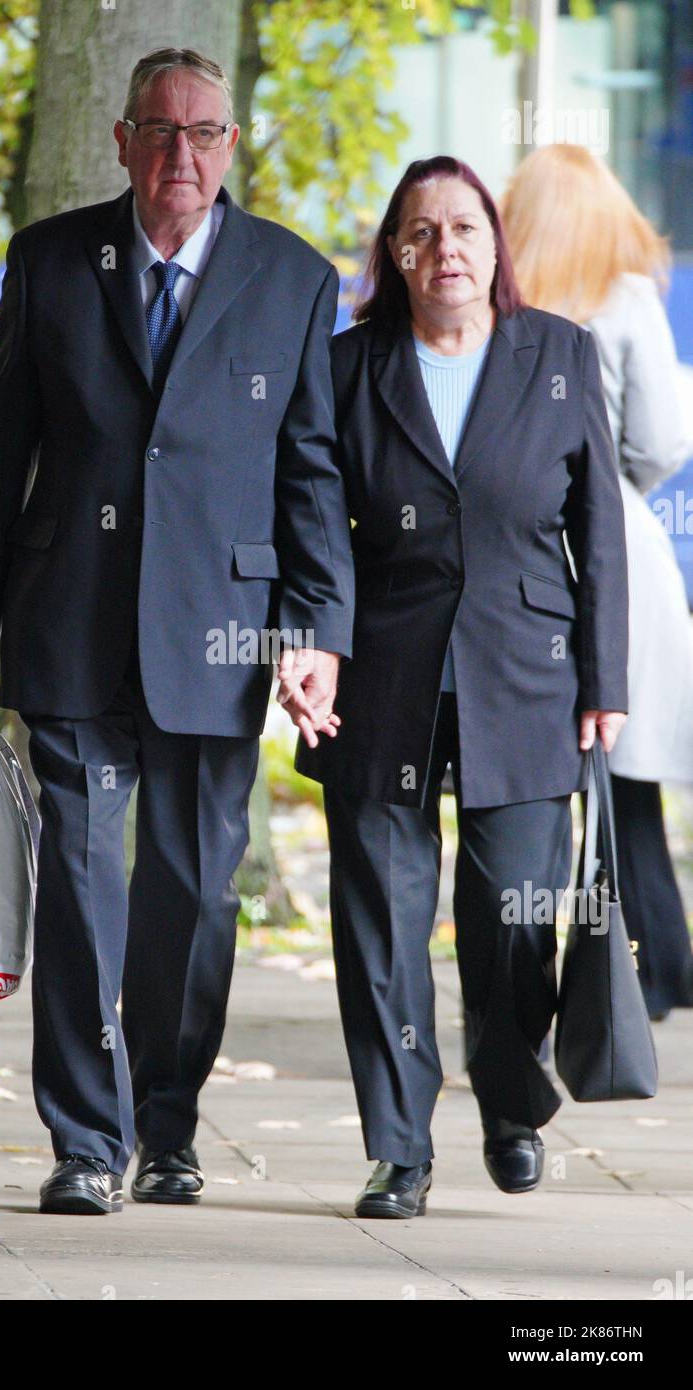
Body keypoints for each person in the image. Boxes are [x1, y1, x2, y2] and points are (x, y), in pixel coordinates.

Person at [0, 47, 353, 1216]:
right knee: (75, 873)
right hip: (69, 621)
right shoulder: (52, 261)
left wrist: (315, 630)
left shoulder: (293, 279)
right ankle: (81, 1137)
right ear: (120, 141)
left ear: (230, 146)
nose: (181, 155)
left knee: (194, 893)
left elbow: (309, 472)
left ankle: (165, 1122)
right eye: (159, 132)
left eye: (204, 133)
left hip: (219, 632)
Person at [293, 155, 628, 1219]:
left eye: (465, 229)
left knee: (510, 918)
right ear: (392, 255)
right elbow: (310, 521)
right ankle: (398, 1147)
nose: (445, 249)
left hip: (528, 676)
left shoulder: (560, 357)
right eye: (420, 232)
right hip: (379, 677)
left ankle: (507, 1100)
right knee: (380, 923)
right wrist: (312, 640)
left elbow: (600, 535)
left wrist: (602, 679)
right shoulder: (347, 366)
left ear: (496, 247)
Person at [500, 143, 693, 1022]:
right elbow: (659, 440)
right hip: (618, 547)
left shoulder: (498, 304)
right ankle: (648, 973)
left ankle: (550, 980)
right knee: (629, 778)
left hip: (519, 555)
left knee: (535, 783)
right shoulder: (624, 297)